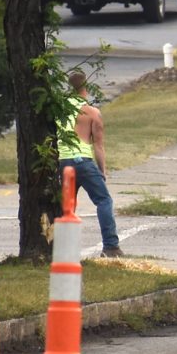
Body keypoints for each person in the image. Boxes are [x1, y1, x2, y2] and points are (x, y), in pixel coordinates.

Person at [56, 69, 123, 258]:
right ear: (86, 88)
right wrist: (102, 171)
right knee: (104, 200)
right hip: (83, 161)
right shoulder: (92, 112)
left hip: (63, 161)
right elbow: (98, 147)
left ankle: (64, 250)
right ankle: (111, 246)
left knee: (67, 206)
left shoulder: (59, 110)